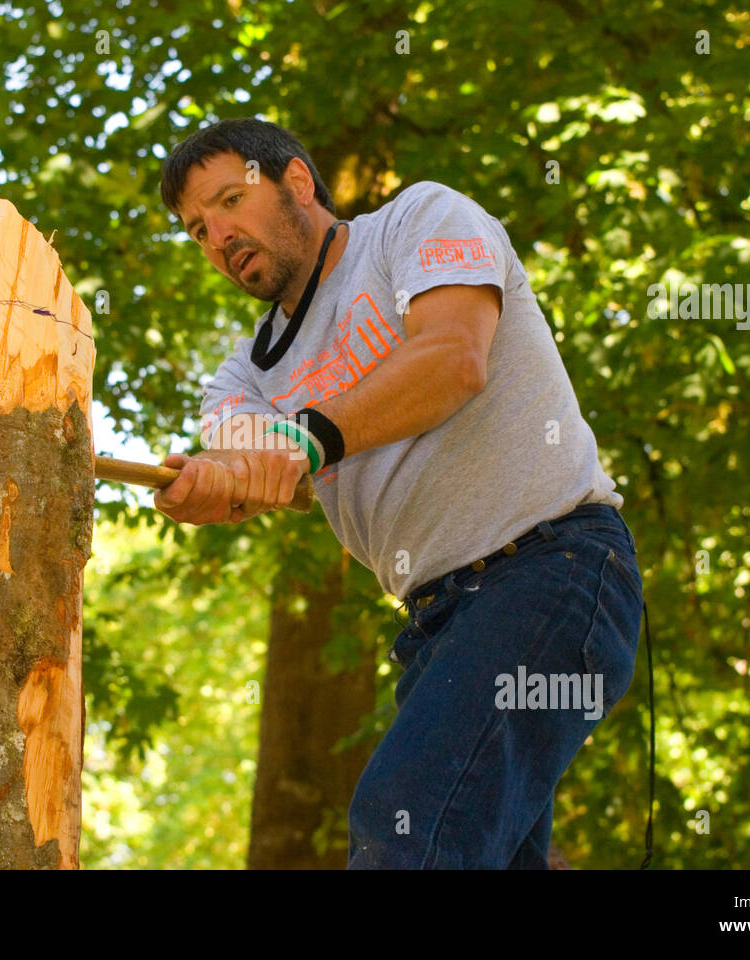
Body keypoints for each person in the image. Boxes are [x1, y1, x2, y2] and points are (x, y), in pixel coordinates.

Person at [154, 117, 644, 868]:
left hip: (553, 572)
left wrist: (306, 437)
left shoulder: (418, 221)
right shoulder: (243, 376)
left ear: (295, 181)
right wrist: (215, 483)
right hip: (439, 625)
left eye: (229, 200)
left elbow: (453, 358)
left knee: (405, 828)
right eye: (196, 229)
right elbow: (250, 466)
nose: (217, 235)